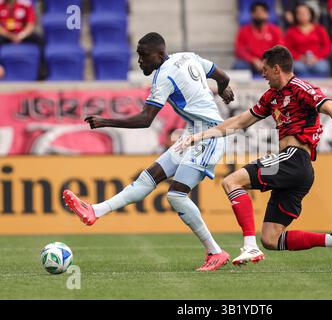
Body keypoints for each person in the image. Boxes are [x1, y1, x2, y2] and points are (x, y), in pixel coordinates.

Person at [179, 45, 332, 265]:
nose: (262, 74)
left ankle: (249, 247)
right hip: (297, 169)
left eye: (265, 69)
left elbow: (330, 106)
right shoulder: (271, 96)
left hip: (294, 158)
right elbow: (240, 121)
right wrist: (201, 136)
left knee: (232, 182)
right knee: (271, 238)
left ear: (277, 69)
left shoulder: (301, 88)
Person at [63, 32, 235, 271]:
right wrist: (224, 91)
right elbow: (222, 76)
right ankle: (95, 210)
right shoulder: (188, 56)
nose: (140, 61)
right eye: (138, 56)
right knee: (148, 177)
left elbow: (146, 119)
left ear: (160, 54)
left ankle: (215, 252)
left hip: (211, 135)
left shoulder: (164, 76)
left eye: (144, 56)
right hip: (193, 134)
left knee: (176, 196)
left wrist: (106, 122)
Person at [234, 1, 284, 74]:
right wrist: (253, 60)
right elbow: (239, 49)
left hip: (270, 62)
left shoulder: (275, 30)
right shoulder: (243, 30)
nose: (259, 14)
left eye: (262, 12)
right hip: (251, 63)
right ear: (252, 14)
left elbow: (280, 49)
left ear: (267, 14)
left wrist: (267, 61)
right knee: (239, 65)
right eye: (256, 12)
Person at [0, 0, 45, 78]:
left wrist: (21, 35)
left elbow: (30, 24)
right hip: (6, 34)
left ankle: (41, 70)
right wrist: (10, 36)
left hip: (22, 34)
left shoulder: (25, 3)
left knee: (40, 40)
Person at [285, 3, 332, 77]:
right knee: (298, 67)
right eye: (299, 13)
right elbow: (288, 48)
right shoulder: (291, 31)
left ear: (311, 14)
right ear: (295, 15)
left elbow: (327, 46)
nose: (302, 15)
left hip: (317, 59)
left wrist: (317, 57)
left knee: (322, 67)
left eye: (305, 13)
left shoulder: (319, 29)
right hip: (299, 60)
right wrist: (299, 57)